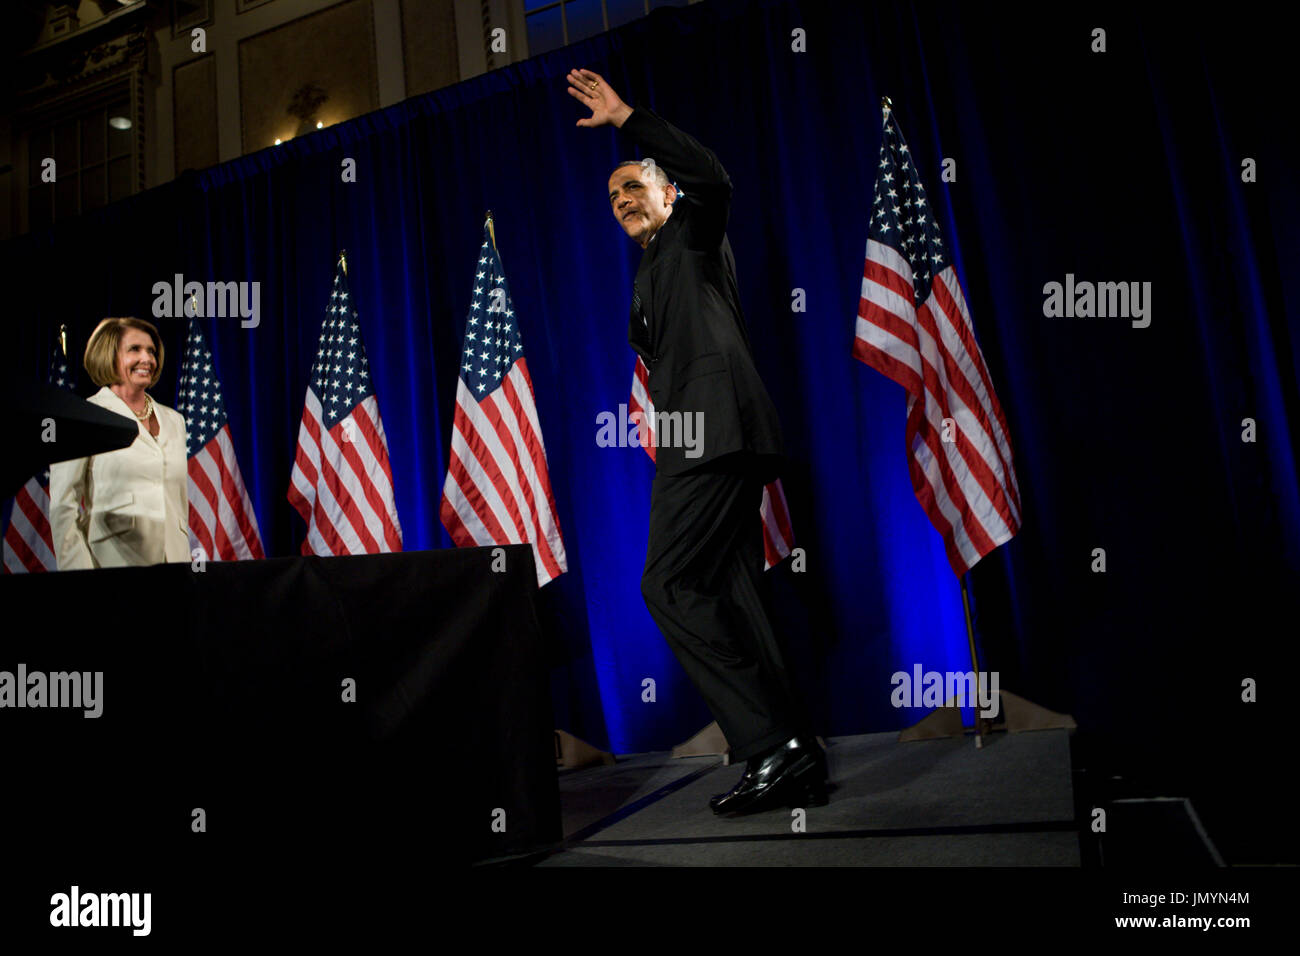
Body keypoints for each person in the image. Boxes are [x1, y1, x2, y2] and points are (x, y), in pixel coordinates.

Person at [568, 67, 829, 815]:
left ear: (667, 194)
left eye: (634, 187)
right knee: (730, 588)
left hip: (714, 437)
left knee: (669, 586)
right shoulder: (654, 270)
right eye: (613, 195)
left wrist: (627, 117)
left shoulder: (694, 233)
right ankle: (793, 753)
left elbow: (712, 175)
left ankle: (770, 743)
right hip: (708, 439)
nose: (622, 200)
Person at [48, 317, 190, 570]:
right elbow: (63, 506)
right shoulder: (81, 418)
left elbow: (178, 501)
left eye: (152, 351)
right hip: (113, 571)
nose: (147, 359)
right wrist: (79, 574)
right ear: (108, 355)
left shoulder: (174, 421)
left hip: (177, 571)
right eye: (134, 349)